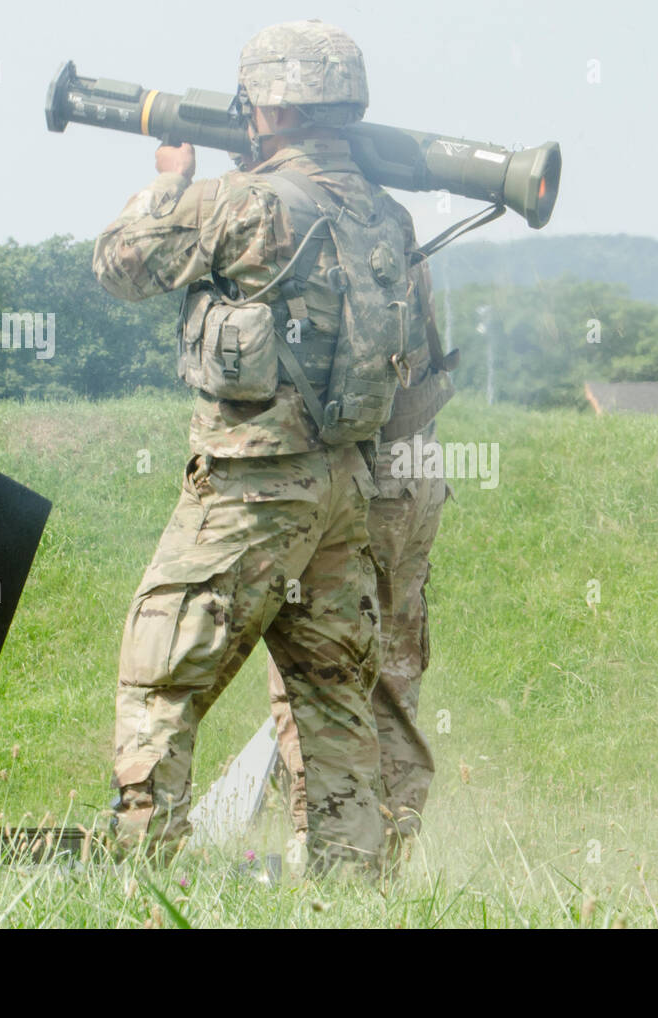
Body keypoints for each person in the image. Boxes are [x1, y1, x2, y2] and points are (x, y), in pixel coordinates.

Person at [92, 19, 415, 878]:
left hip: (251, 491)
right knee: (333, 698)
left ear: (265, 107)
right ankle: (351, 886)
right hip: (342, 490)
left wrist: (170, 184)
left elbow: (121, 266)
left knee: (162, 678)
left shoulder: (242, 202)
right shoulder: (386, 214)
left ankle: (140, 876)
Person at [268, 257, 454, 873]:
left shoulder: (319, 230)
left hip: (366, 468)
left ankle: (325, 849)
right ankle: (390, 847)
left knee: (318, 650)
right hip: (416, 464)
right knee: (392, 664)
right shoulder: (393, 233)